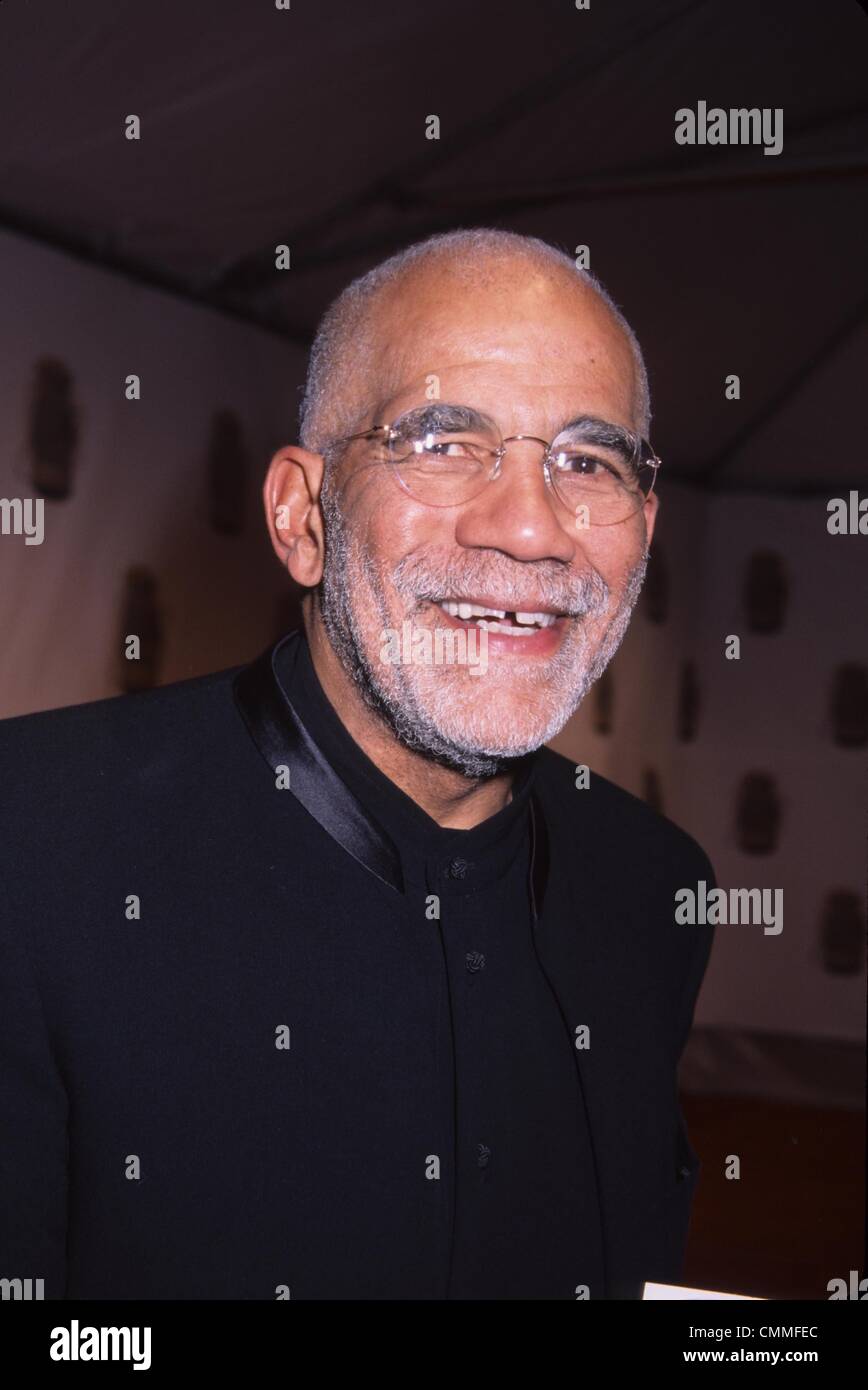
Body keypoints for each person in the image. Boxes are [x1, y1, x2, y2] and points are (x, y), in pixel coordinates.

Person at [0, 228, 715, 1300]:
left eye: (587, 461)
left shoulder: (658, 886)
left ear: (643, 533)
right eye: (442, 441)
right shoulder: (34, 840)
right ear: (301, 515)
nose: (531, 528)